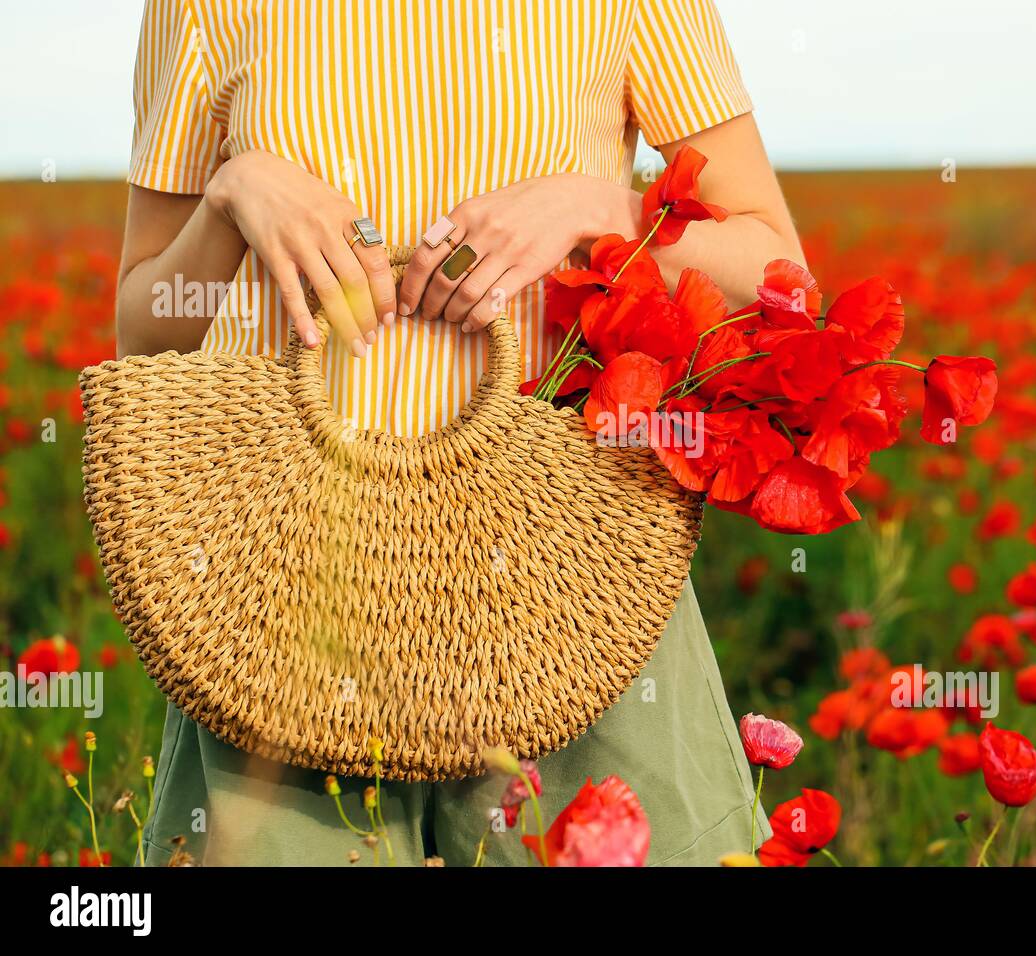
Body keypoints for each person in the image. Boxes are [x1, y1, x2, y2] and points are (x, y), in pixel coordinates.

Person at [117, 0, 802, 866]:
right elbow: (144, 336)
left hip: (576, 578)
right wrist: (229, 196)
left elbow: (775, 269)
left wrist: (596, 208)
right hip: (278, 587)